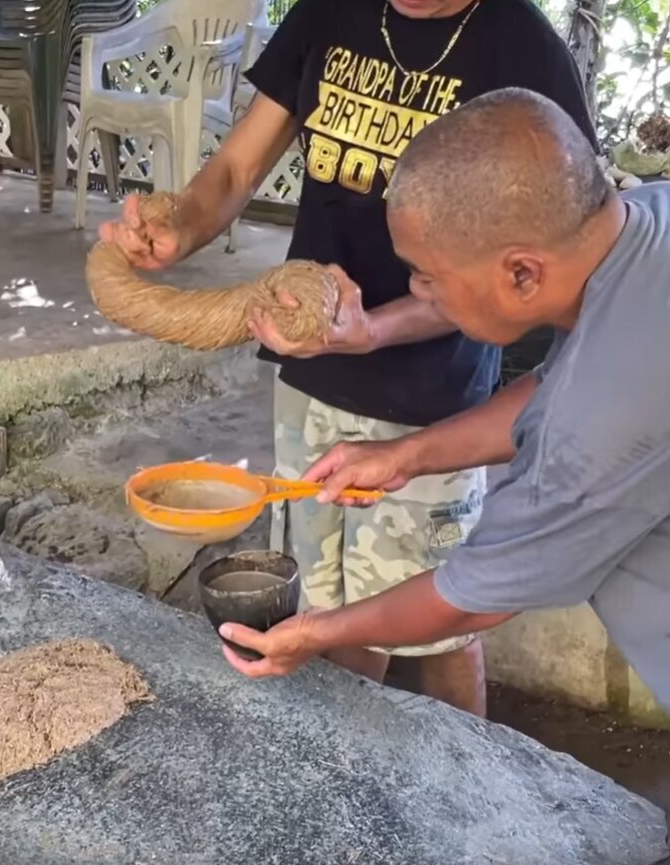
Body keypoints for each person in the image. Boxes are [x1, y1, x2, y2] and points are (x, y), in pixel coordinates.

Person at [100, 0, 597, 716]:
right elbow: (237, 168)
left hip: (432, 393)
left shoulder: (525, 51)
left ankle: (478, 784)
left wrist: (372, 328)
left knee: (439, 623)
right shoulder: (329, 13)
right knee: (330, 603)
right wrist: (180, 226)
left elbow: (534, 261)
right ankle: (353, 779)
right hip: (313, 360)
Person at [216, 87, 670, 713]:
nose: (414, 290)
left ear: (521, 274)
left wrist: (313, 634)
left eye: (428, 276)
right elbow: (554, 386)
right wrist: (407, 454)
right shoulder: (645, 224)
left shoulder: (604, 419)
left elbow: (472, 596)